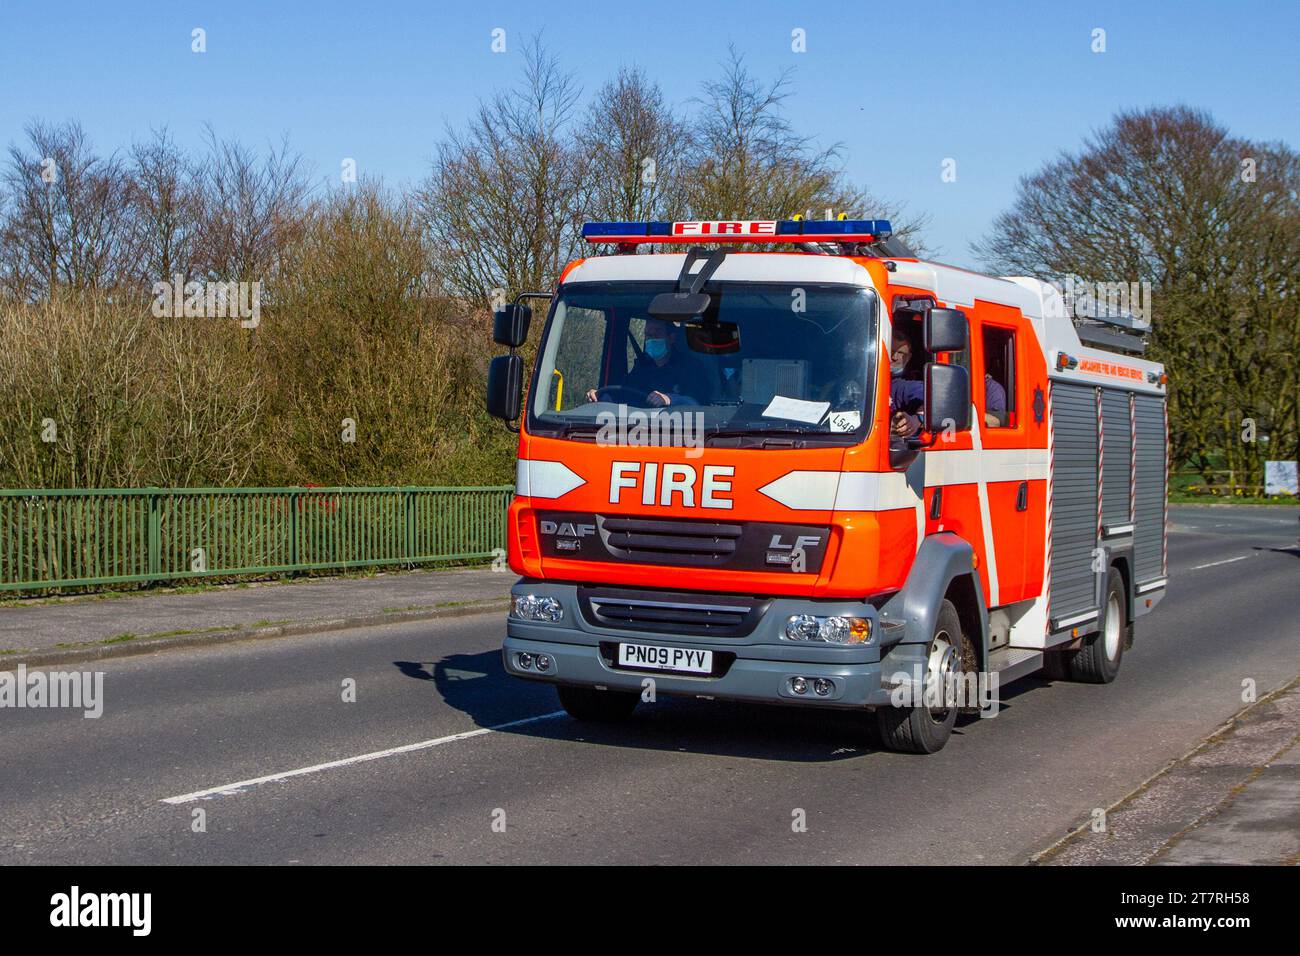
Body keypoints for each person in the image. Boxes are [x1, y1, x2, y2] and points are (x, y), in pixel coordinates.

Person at [586, 318, 713, 407]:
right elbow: (623, 395)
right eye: (648, 334)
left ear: (671, 338)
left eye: (656, 333)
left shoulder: (691, 368)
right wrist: (599, 397)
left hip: (680, 433)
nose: (651, 339)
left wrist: (670, 400)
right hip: (637, 431)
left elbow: (699, 404)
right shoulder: (641, 368)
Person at [888, 329, 925, 438]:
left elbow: (935, 400)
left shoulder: (904, 387)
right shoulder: (862, 380)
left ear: (908, 358)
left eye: (900, 353)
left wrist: (918, 419)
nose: (894, 357)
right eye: (891, 351)